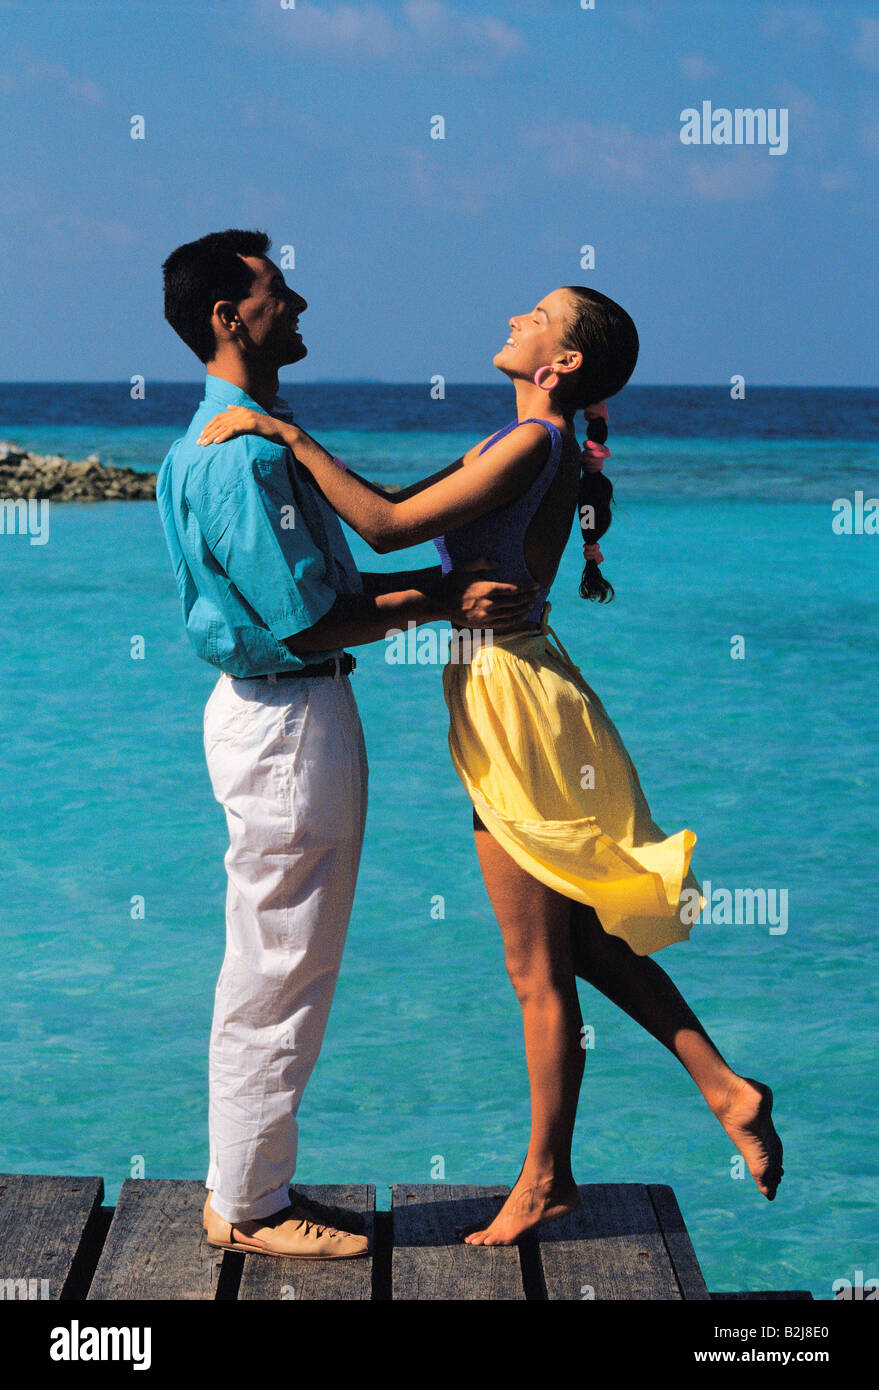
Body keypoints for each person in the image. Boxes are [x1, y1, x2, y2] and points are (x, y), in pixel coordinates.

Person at [198, 282, 784, 1246]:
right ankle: (724, 1088)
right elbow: (393, 509)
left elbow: (385, 532)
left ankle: (548, 1180)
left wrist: (283, 437)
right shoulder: (507, 444)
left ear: (560, 365)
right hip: (511, 694)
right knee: (577, 941)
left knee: (535, 968)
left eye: (538, 317)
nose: (515, 316)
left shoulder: (526, 443)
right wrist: (288, 454)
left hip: (516, 702)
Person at [155, 229, 539, 1258]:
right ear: (229, 318)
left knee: (276, 957)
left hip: (274, 711)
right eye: (278, 292)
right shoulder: (242, 453)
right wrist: (437, 604)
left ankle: (245, 1189)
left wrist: (445, 593)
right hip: (288, 715)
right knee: (281, 965)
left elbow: (330, 596)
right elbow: (309, 622)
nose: (301, 305)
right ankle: (248, 1205)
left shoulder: (223, 436)